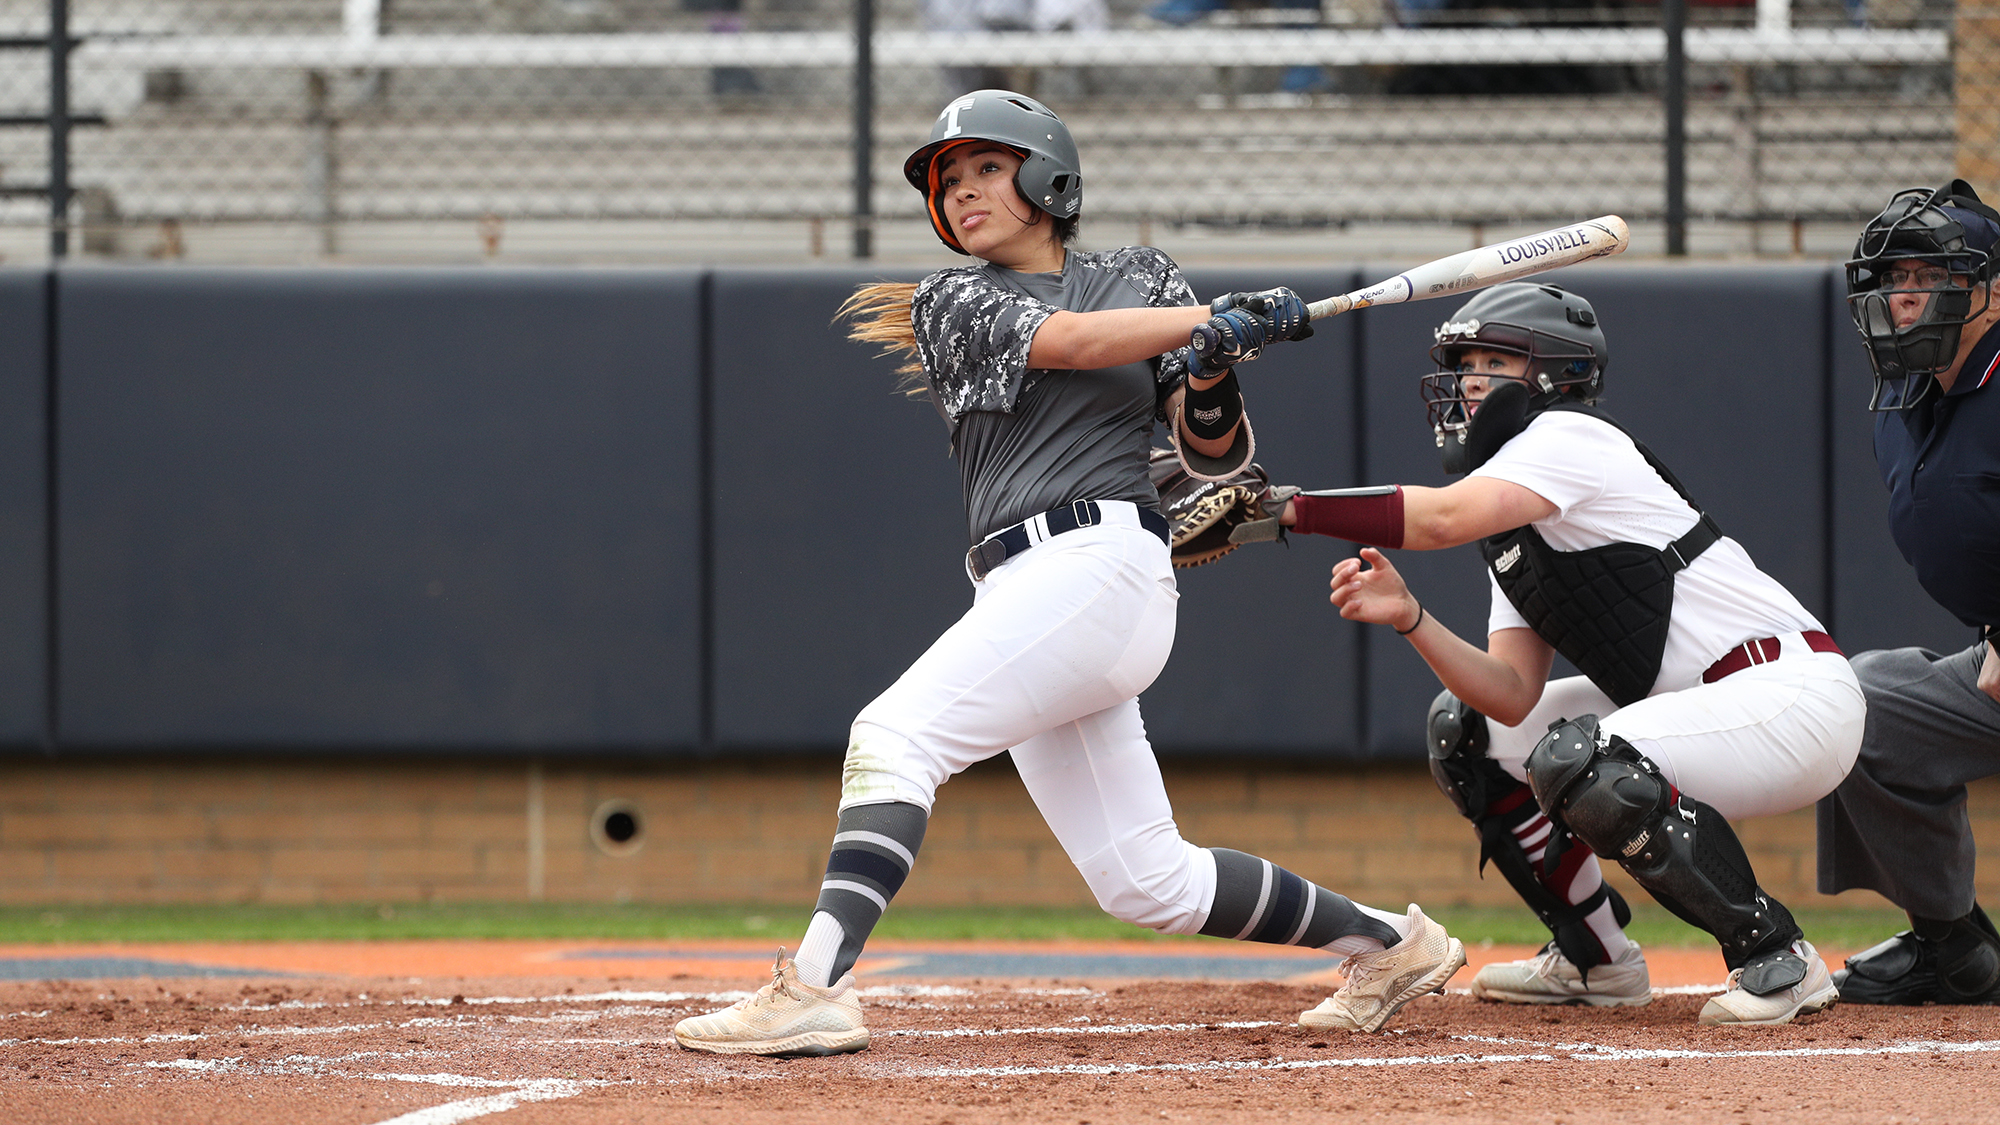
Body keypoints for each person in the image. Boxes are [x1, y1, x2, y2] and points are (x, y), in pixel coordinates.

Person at [670, 89, 1465, 1057]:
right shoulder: (951, 299)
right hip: (1029, 586)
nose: (962, 193)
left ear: (1048, 176)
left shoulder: (1139, 275)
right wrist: (1208, 320)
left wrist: (1211, 365)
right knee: (1146, 881)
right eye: (947, 182)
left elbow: (1213, 456)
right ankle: (1392, 944)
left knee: (893, 735)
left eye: (986, 169)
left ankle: (813, 985)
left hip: (1098, 566)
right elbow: (1076, 344)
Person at [1273, 282, 1865, 1026]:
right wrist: (1412, 617)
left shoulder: (1570, 437)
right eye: (1466, 364)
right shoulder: (1512, 518)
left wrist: (1290, 507)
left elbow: (1441, 517)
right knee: (1469, 734)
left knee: (1587, 760)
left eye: (1495, 362)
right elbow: (1511, 693)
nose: (1471, 381)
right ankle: (1597, 958)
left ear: (1556, 373)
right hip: (1694, 707)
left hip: (1791, 693)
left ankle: (1778, 956)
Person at [1816, 179, 2000, 1006]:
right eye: (1894, 278)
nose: (1904, 295)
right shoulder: (1901, 398)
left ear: (1992, 291)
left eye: (1929, 276)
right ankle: (1953, 946)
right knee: (1857, 705)